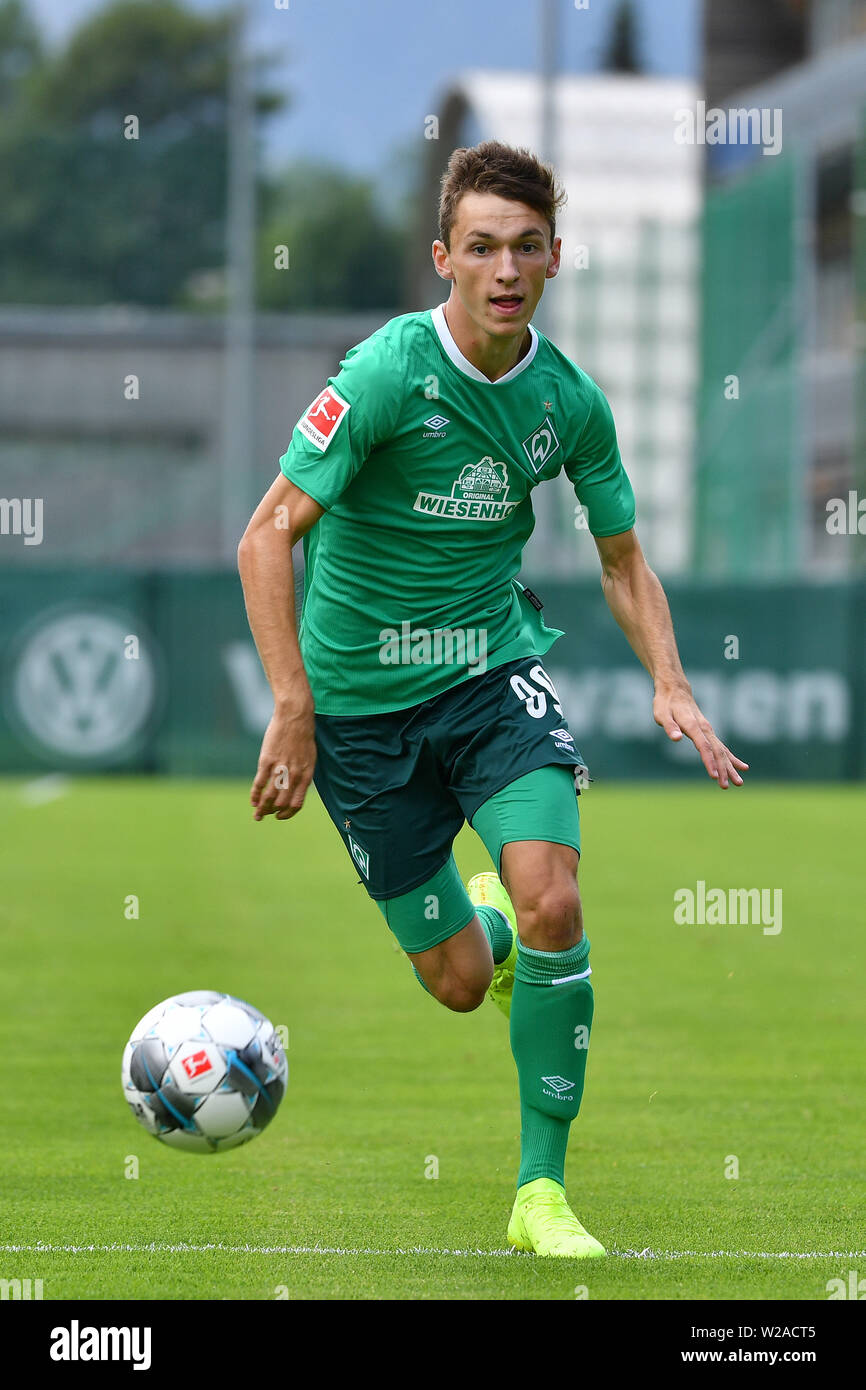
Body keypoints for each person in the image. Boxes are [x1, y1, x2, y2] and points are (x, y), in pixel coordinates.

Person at [237, 140, 748, 1258]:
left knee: (556, 900)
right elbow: (267, 532)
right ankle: (492, 931)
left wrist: (671, 681)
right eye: (480, 248)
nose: (503, 269)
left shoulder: (567, 402)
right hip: (360, 716)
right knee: (461, 982)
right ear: (444, 258)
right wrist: (293, 703)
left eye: (524, 247)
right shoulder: (381, 373)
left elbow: (621, 561)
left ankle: (539, 1193)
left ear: (554, 258)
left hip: (486, 679)